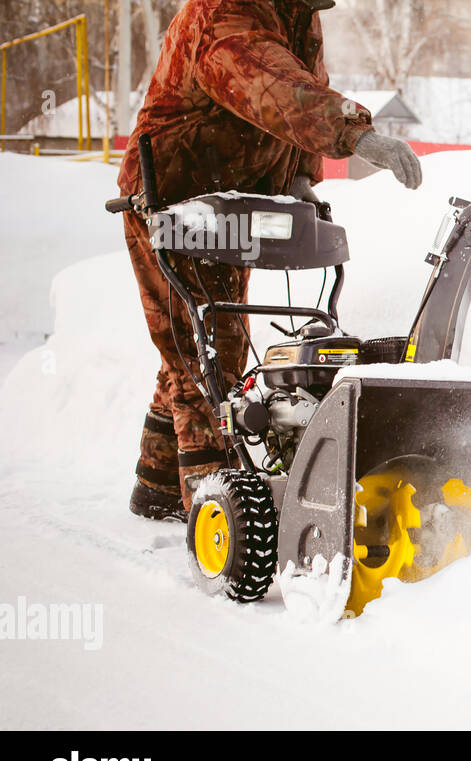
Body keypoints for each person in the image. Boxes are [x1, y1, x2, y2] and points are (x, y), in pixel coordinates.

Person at [119, 0, 422, 521]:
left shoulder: (299, 13)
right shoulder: (224, 12)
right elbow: (273, 88)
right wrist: (356, 135)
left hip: (236, 199)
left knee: (198, 340)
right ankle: (213, 513)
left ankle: (156, 486)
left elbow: (302, 82)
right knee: (205, 352)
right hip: (173, 194)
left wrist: (301, 173)